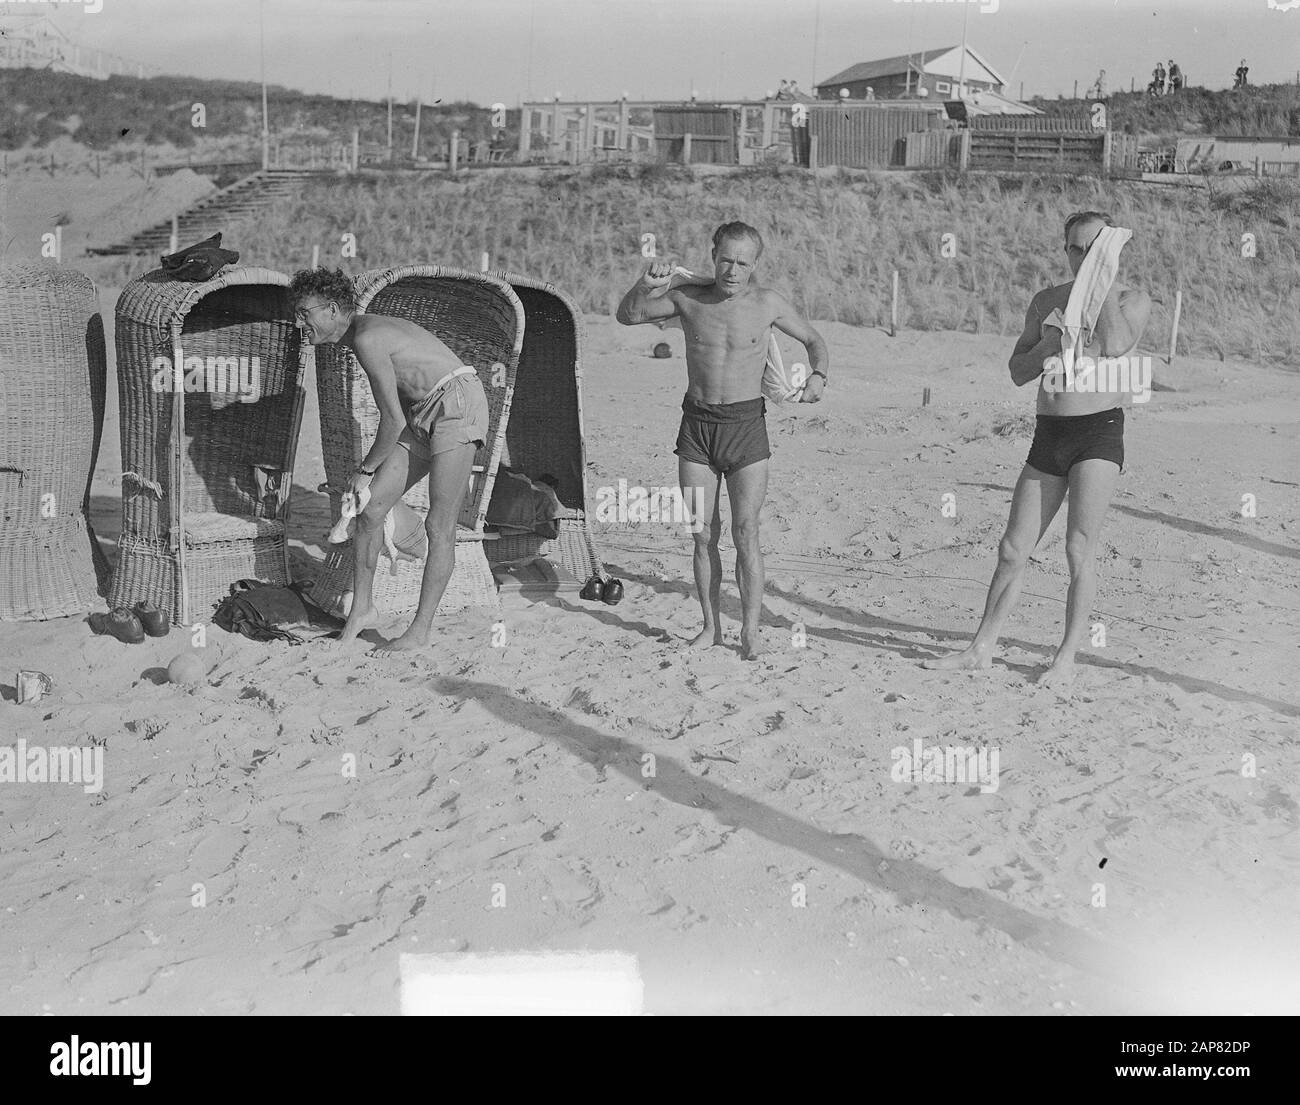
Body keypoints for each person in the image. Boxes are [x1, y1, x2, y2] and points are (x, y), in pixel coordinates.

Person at [921, 212, 1151, 687]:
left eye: (1092, 249)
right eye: (1073, 248)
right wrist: (1048, 342)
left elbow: (1112, 344)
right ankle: (981, 648)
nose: (1080, 257)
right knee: (1012, 548)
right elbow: (1017, 370)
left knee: (1077, 549)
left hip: (1098, 432)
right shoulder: (1046, 301)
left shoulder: (1132, 299)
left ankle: (1066, 657)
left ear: (1109, 251)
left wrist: (1098, 284)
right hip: (1049, 433)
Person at [615, 222, 829, 660]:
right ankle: (711, 627)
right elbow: (630, 315)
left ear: (755, 264)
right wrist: (644, 283)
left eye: (743, 263)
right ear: (713, 255)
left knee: (746, 531)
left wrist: (819, 375)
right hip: (697, 428)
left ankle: (750, 629)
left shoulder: (766, 303)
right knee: (701, 534)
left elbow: (813, 339)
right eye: (727, 260)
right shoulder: (688, 299)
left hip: (746, 427)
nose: (733, 271)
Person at [289, 268, 489, 653]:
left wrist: (363, 470)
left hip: (456, 406)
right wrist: (365, 480)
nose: (299, 323)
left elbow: (392, 419)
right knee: (370, 508)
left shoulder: (366, 337)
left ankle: (419, 632)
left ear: (331, 310)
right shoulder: (360, 335)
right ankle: (362, 610)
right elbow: (403, 416)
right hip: (423, 412)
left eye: (303, 313)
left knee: (439, 525)